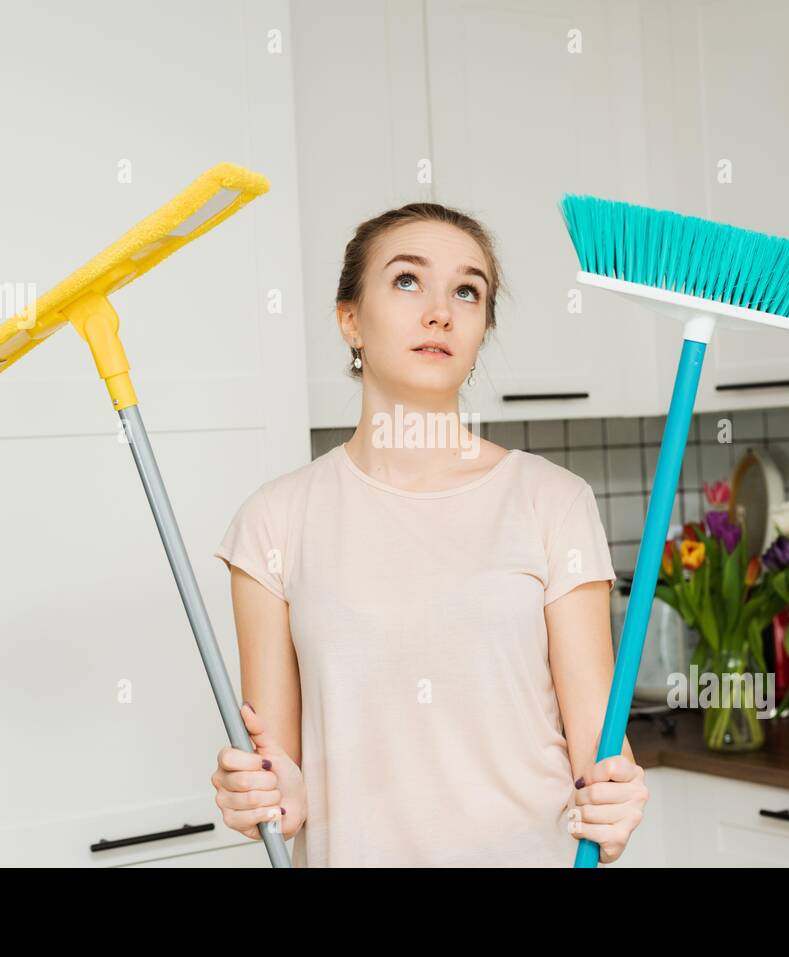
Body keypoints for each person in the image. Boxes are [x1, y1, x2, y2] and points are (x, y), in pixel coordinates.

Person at [211, 202, 648, 866]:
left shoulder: (553, 503)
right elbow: (283, 774)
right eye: (408, 280)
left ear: (479, 331)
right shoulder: (274, 522)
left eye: (467, 291)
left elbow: (599, 753)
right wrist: (269, 795)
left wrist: (615, 805)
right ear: (349, 319)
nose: (441, 310)